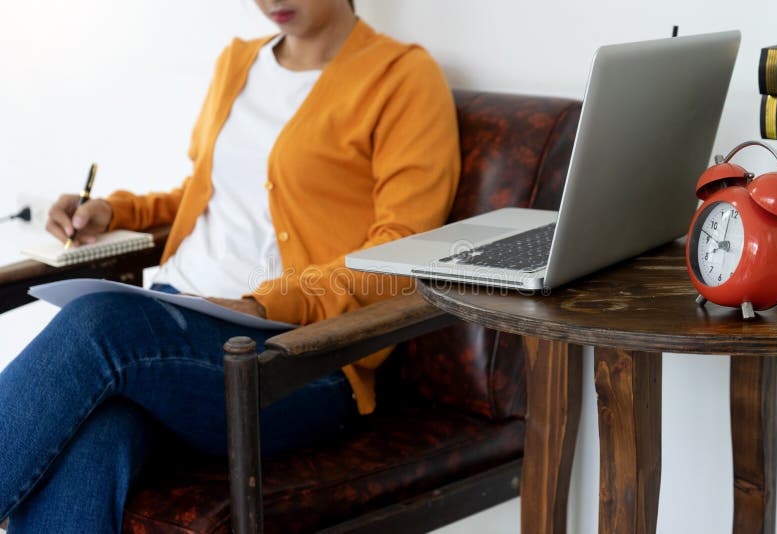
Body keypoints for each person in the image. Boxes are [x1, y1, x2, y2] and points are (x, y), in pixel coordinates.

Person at [0, 0, 460, 531]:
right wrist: (115, 211)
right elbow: (207, 193)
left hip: (296, 355)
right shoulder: (238, 62)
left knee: (100, 319)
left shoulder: (402, 77)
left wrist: (261, 304)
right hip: (176, 329)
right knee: (98, 434)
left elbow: (402, 256)